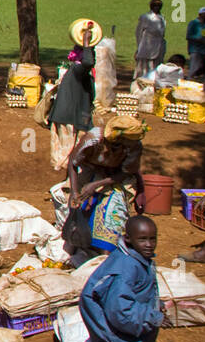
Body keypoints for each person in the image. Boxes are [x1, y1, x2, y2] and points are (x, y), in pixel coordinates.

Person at [64, 115, 147, 255]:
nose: (134, 143)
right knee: (74, 205)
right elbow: (73, 161)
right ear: (120, 138)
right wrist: (73, 191)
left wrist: (96, 185)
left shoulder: (134, 146)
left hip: (115, 177)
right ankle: (76, 244)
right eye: (130, 141)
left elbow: (125, 172)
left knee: (112, 210)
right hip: (89, 170)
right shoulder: (94, 139)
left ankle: (105, 254)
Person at [47, 22, 97, 172]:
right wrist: (87, 43)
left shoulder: (76, 71)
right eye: (90, 52)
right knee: (73, 155)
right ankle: (71, 188)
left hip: (68, 116)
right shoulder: (78, 69)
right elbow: (89, 62)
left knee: (73, 154)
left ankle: (70, 184)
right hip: (70, 118)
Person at [133, 0, 166, 80]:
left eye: (159, 6)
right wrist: (139, 47)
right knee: (145, 66)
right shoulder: (145, 17)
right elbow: (138, 33)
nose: (157, 7)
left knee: (157, 66)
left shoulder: (162, 18)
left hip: (159, 46)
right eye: (154, 5)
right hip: (147, 46)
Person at [187, 6, 205, 78]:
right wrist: (200, 39)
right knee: (194, 69)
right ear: (201, 14)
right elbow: (189, 36)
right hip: (196, 50)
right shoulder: (193, 23)